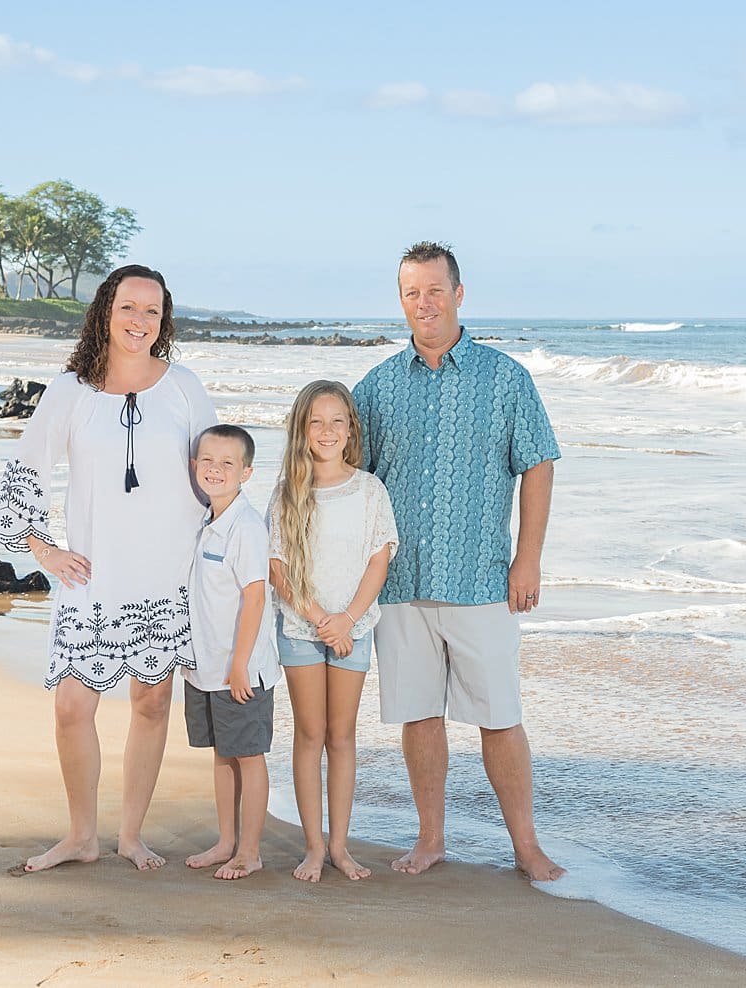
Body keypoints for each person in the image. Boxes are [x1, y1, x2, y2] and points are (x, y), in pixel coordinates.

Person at [0, 264, 216, 874]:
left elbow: (217, 471)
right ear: (105, 313)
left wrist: (229, 559)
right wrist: (43, 549)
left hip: (167, 574)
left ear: (164, 319)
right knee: (71, 707)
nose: (140, 320)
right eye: (128, 308)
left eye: (152, 310)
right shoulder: (70, 391)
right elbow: (26, 469)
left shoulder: (185, 387)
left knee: (152, 703)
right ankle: (81, 835)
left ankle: (131, 836)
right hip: (91, 575)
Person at [352, 241, 566, 884]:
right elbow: (348, 479)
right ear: (401, 300)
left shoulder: (506, 379)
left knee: (499, 717)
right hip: (401, 583)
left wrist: (528, 559)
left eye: (435, 290)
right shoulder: (377, 386)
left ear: (459, 294)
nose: (424, 303)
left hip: (481, 579)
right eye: (412, 293)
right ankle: (430, 839)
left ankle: (526, 846)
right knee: (419, 716)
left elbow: (538, 465)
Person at [267, 380, 397, 883]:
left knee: (341, 736)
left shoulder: (369, 490)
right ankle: (314, 847)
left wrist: (346, 620)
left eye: (336, 421)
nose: (327, 431)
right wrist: (322, 618)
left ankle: (340, 846)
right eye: (316, 422)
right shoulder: (288, 493)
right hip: (302, 628)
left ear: (350, 429)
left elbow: (378, 560)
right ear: (302, 429)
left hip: (353, 627)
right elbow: (279, 568)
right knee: (310, 733)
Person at [180, 425, 281, 881]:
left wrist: (240, 665)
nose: (215, 470)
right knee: (223, 754)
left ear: (247, 472)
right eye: (207, 460)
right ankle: (226, 842)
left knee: (248, 756)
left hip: (240, 670)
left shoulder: (246, 526)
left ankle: (250, 851)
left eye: (227, 463)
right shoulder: (206, 521)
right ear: (194, 466)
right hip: (206, 667)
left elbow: (255, 597)